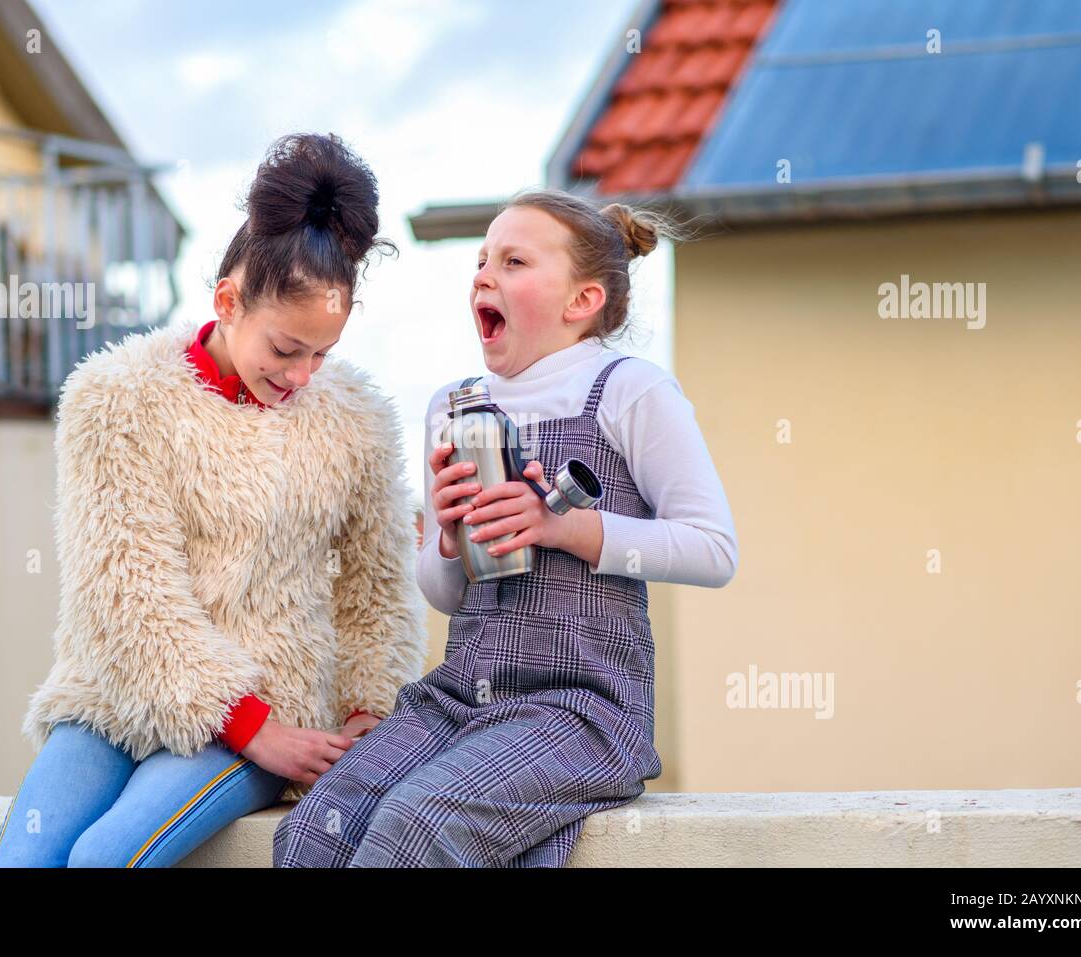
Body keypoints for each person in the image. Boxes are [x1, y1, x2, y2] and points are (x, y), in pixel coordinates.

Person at [0, 132, 426, 867]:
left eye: (322, 352)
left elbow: (377, 588)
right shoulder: (116, 396)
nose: (302, 375)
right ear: (228, 301)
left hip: (276, 700)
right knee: (23, 863)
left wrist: (364, 712)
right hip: (115, 696)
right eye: (286, 348)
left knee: (104, 859)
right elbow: (126, 588)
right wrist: (249, 722)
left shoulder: (357, 418)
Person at [272, 187, 738, 867]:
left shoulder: (631, 389)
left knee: (416, 824)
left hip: (581, 711)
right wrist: (450, 539)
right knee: (316, 828)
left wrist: (568, 528)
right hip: (461, 700)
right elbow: (444, 593)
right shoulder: (455, 407)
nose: (484, 274)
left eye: (514, 262)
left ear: (582, 301)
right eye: (483, 259)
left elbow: (714, 548)